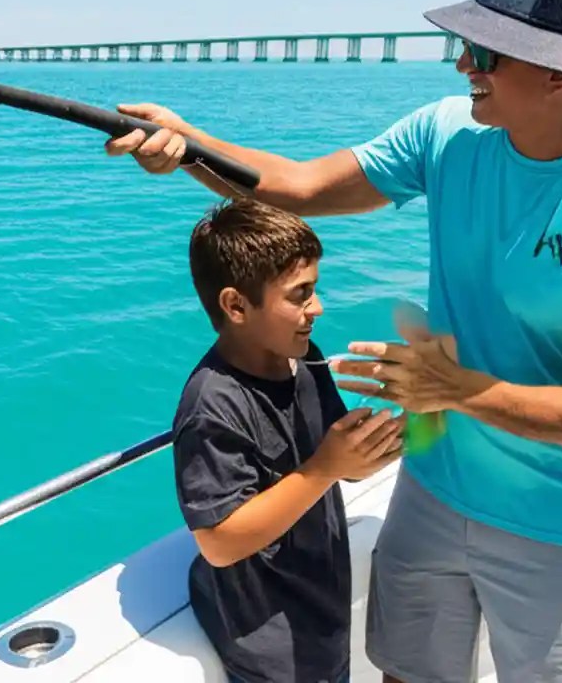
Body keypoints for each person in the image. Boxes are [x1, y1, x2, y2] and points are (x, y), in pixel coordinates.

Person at [110, 0, 562, 681]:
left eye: (487, 51)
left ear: (558, 73)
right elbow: (300, 188)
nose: (462, 63)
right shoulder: (445, 134)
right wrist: (187, 143)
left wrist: (456, 389)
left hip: (555, 523)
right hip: (432, 488)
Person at [172, 197, 406, 683]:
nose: (316, 307)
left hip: (321, 612)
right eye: (300, 295)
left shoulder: (303, 359)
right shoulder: (212, 405)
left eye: (314, 290)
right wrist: (323, 467)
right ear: (236, 304)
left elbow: (350, 465)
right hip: (268, 642)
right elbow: (218, 542)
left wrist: (419, 414)